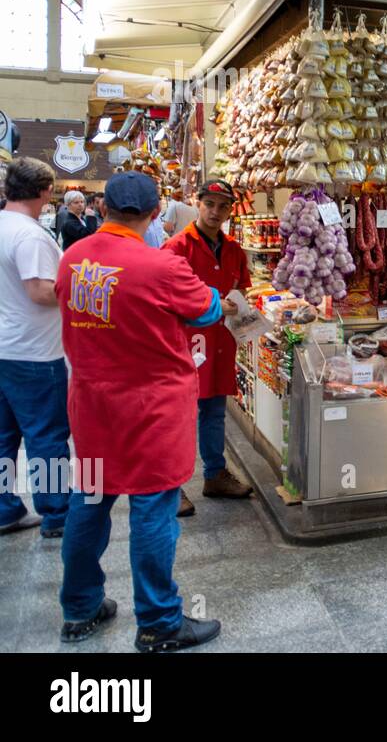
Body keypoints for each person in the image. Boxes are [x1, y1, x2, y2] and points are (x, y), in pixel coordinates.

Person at [56, 172, 234, 651]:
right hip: (150, 407)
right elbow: (209, 310)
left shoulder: (72, 258)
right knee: (153, 508)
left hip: (92, 403)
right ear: (157, 213)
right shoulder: (159, 266)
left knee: (89, 501)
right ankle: (158, 621)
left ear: (104, 207)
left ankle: (79, 607)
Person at [163, 178, 253, 516]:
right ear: (196, 203)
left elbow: (242, 289)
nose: (215, 212)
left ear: (230, 210)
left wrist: (246, 312)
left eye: (223, 206)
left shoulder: (233, 249)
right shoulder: (177, 247)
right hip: (184, 345)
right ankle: (171, 487)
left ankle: (214, 474)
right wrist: (212, 301)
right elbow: (164, 296)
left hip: (220, 343)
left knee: (214, 412)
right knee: (179, 416)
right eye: (209, 204)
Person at [0, 158, 71, 537]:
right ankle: (58, 513)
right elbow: (40, 290)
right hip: (34, 353)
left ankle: (4, 508)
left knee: (3, 436)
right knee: (47, 436)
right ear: (45, 191)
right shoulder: (29, 235)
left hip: (4, 348)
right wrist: (79, 291)